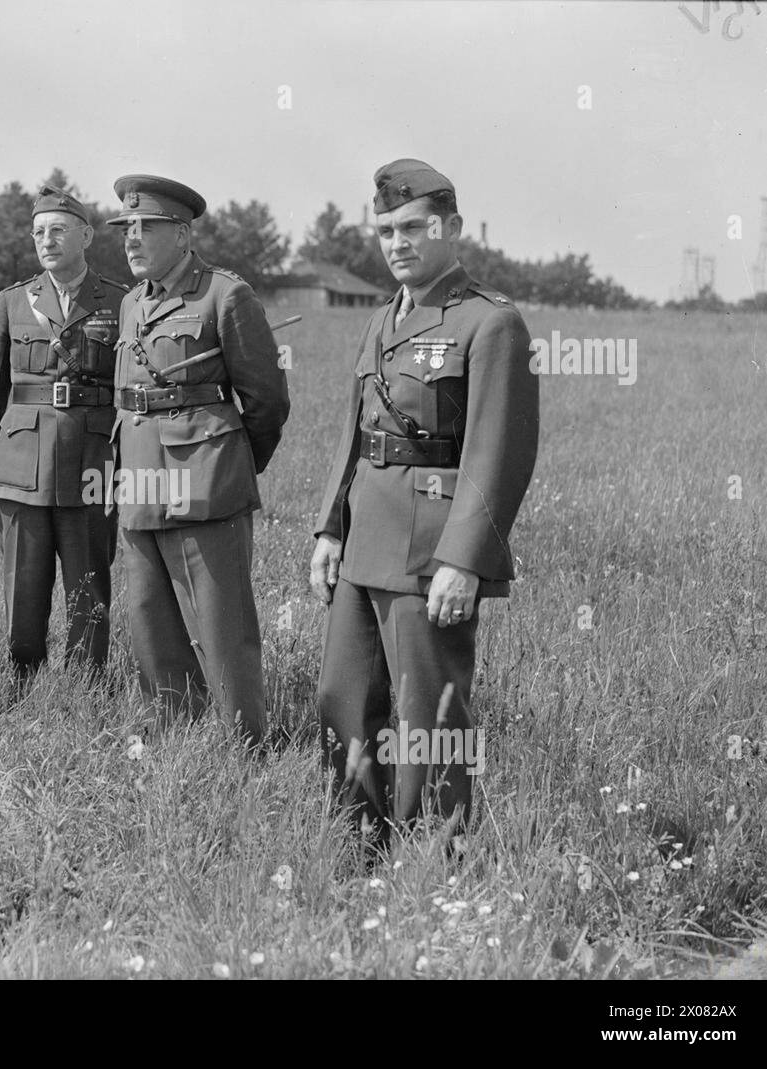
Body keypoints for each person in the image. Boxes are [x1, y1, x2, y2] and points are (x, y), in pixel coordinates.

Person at [309, 159, 539, 846]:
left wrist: (463, 560)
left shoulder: (489, 324)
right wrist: (328, 527)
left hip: (428, 551)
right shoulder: (384, 317)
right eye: (385, 230)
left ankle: (434, 864)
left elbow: (498, 453)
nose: (397, 242)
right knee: (343, 702)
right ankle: (359, 850)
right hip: (364, 542)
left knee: (428, 720)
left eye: (413, 227)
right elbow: (356, 434)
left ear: (453, 229)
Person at [107, 174, 290, 745]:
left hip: (205, 483)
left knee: (220, 627)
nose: (132, 239)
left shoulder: (224, 295)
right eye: (126, 228)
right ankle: (176, 740)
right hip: (138, 478)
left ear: (183, 234)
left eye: (146, 228)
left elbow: (266, 401)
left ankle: (244, 747)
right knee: (149, 619)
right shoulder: (131, 303)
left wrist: (227, 467)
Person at [0, 185, 128, 683]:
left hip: (91, 461)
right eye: (39, 232)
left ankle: (86, 684)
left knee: (88, 581)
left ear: (85, 235)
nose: (47, 240)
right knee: (23, 581)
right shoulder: (13, 301)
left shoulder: (120, 301)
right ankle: (22, 677)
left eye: (58, 230)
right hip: (21, 463)